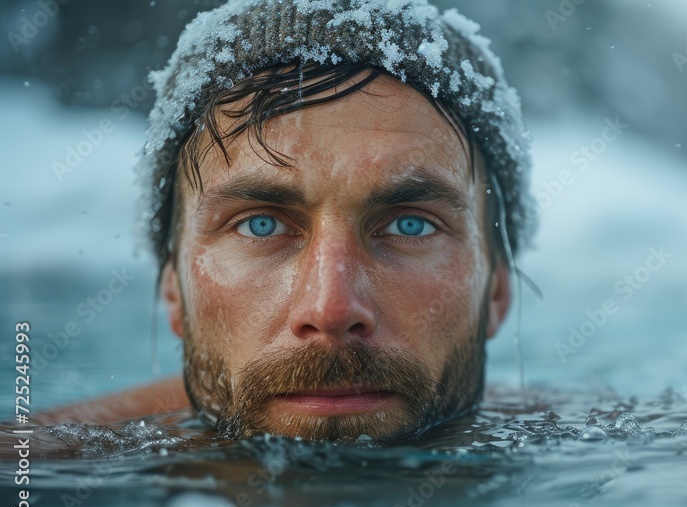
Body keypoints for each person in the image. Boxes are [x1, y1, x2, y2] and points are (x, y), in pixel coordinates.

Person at [34, 0, 535, 442]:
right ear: (173, 290)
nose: (332, 309)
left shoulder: (608, 455)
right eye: (260, 225)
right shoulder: (34, 472)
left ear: (495, 289)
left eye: (411, 225)